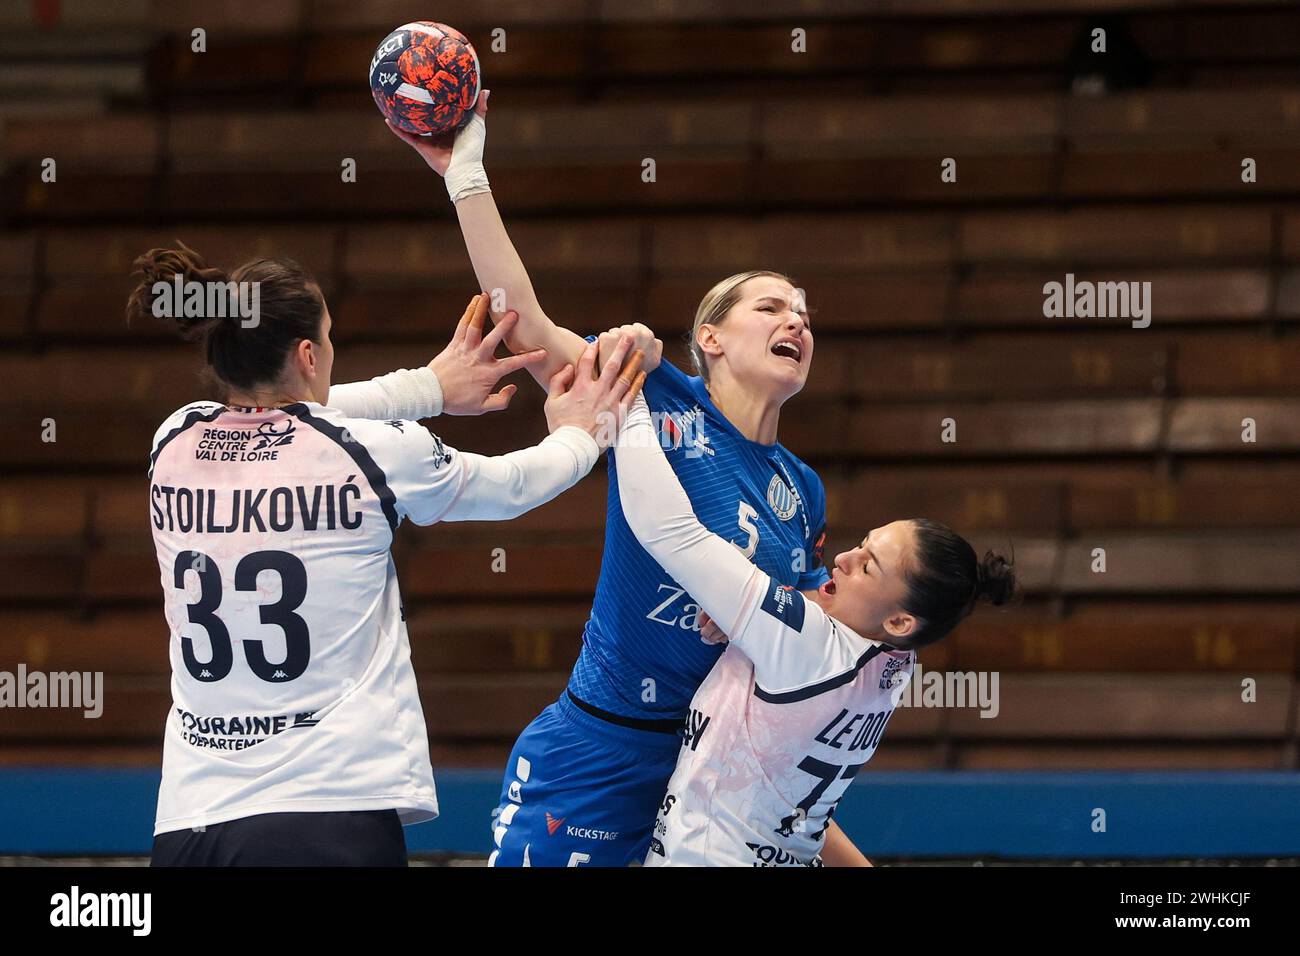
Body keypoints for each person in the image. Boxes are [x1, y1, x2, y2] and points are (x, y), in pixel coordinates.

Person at [388, 92, 833, 866]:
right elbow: (518, 321)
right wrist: (466, 177)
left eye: (803, 316)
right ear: (711, 338)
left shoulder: (805, 489)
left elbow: (810, 635)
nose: (796, 322)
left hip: (715, 769)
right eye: (771, 308)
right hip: (604, 745)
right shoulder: (644, 387)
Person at [132, 242, 645, 865]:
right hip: (324, 816)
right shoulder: (374, 453)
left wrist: (429, 386)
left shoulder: (174, 441)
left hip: (189, 823)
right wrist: (580, 432)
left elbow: (293, 414)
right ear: (307, 354)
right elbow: (514, 487)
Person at [613, 393, 1018, 866]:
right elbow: (806, 817)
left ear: (900, 620)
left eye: (869, 567)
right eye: (862, 545)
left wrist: (629, 411)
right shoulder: (896, 664)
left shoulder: (802, 639)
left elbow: (669, 529)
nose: (844, 559)